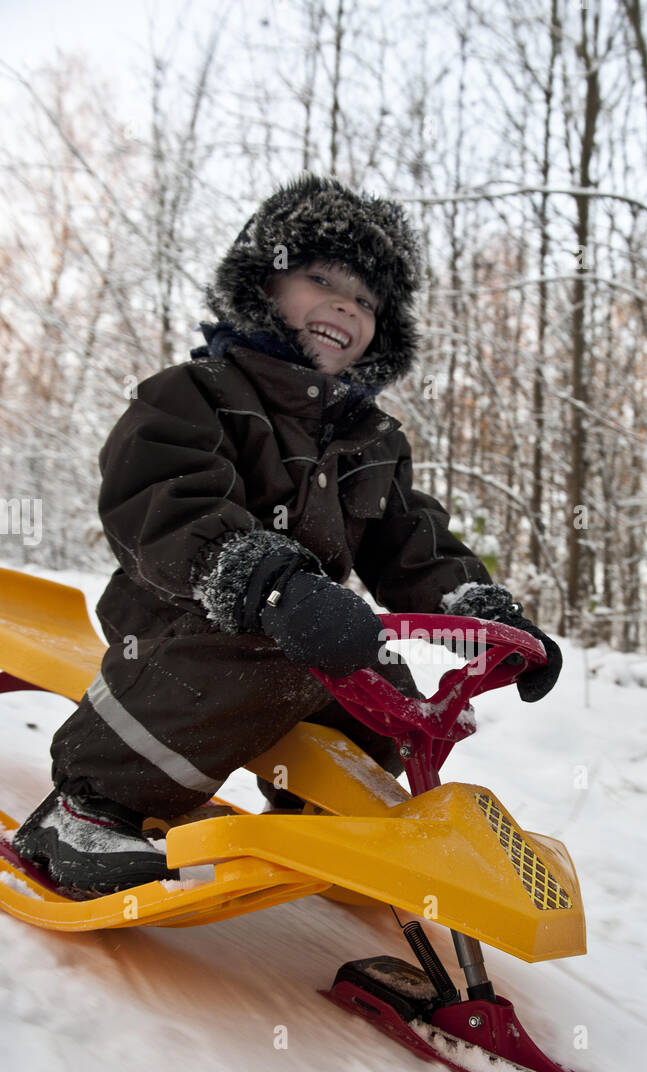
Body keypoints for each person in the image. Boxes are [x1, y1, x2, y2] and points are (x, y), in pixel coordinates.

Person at [13, 173, 561, 896]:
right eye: (322, 278)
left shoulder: (369, 441)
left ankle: (319, 816)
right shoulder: (195, 394)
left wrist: (478, 610)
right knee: (262, 661)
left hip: (302, 624)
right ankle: (91, 806)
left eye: (367, 300)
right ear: (264, 285)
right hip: (181, 608)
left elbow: (409, 544)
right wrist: (263, 578)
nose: (345, 305)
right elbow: (163, 502)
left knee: (383, 687)